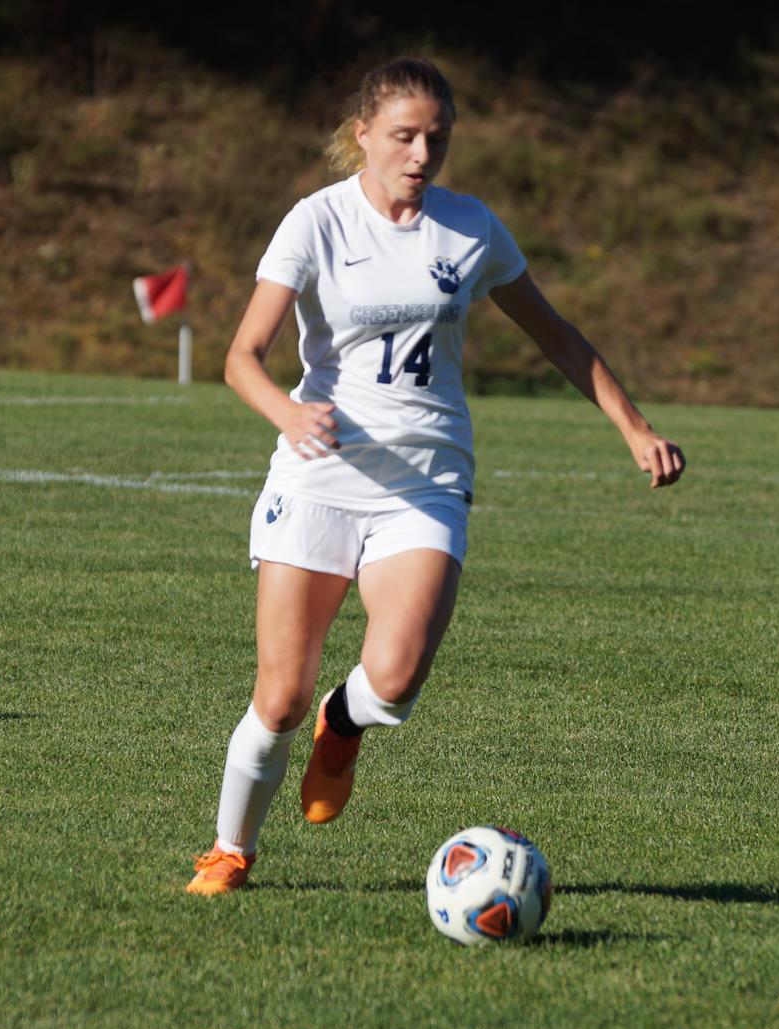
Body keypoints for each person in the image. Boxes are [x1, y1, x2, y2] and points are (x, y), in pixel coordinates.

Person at [186, 57, 685, 895]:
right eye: (404, 137)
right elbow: (242, 358)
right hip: (319, 477)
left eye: (437, 138)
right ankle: (230, 850)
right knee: (278, 698)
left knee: (396, 677)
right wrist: (288, 413)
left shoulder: (470, 227)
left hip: (426, 483)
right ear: (364, 138)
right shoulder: (316, 223)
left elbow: (555, 333)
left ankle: (342, 724)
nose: (422, 154)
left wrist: (634, 427)